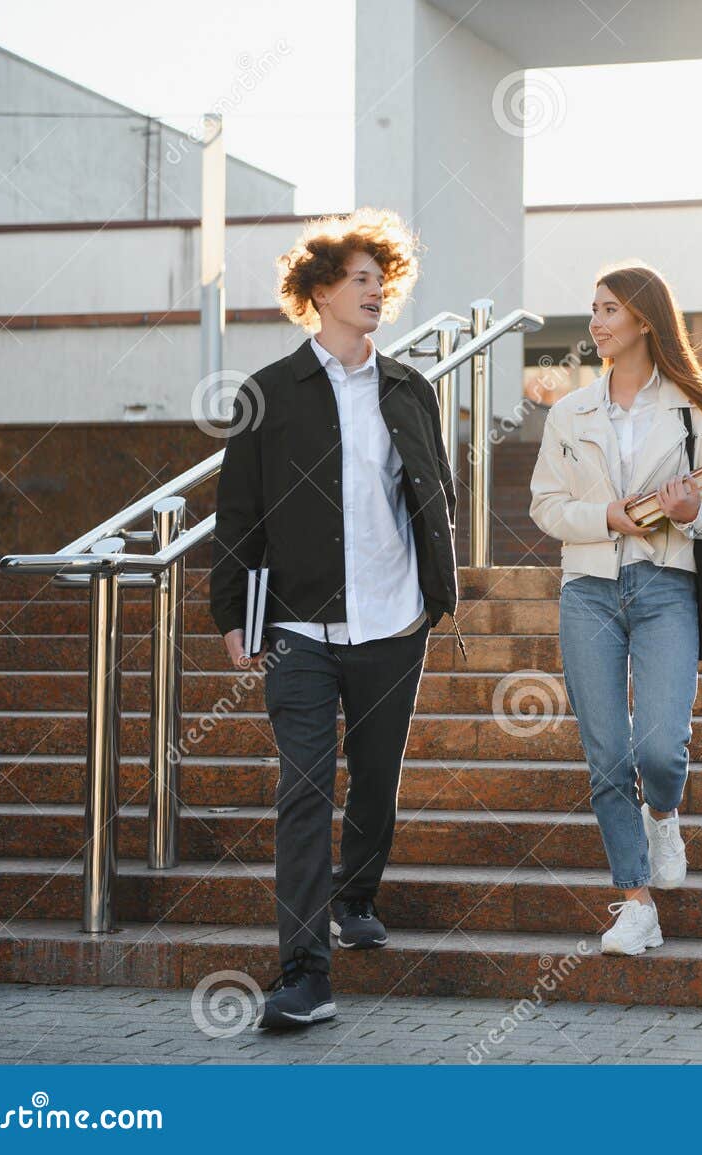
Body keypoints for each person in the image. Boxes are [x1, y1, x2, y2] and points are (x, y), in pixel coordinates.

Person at [208, 208, 459, 1029]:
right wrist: (230, 610)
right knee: (305, 789)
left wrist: (437, 591)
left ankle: (356, 896)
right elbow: (238, 510)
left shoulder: (409, 387)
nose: (375, 292)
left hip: (394, 619)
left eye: (381, 281)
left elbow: (433, 490)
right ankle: (305, 973)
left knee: (376, 780)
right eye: (359, 280)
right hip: (299, 628)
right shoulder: (269, 392)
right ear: (319, 291)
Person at [529, 262, 702, 956]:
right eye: (593, 309)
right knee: (606, 754)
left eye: (609, 310)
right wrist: (606, 516)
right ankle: (636, 901)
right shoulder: (570, 412)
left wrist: (690, 512)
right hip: (587, 589)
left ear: (645, 320)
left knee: (658, 746)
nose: (595, 322)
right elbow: (545, 505)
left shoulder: (689, 406)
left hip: (664, 585)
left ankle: (664, 811)